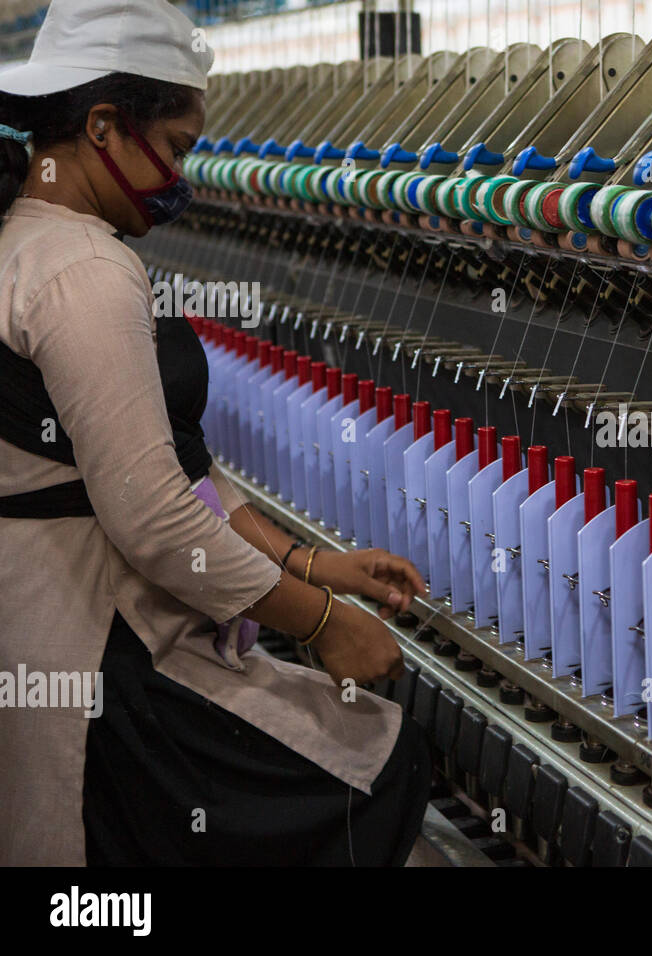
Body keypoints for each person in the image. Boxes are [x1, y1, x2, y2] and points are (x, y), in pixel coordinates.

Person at [0, 0, 432, 866]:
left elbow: (166, 463)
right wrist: (321, 622)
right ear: (104, 127)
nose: (181, 177)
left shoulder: (37, 239)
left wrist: (304, 562)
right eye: (181, 147)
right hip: (96, 651)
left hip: (67, 624)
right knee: (372, 770)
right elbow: (155, 515)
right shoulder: (83, 272)